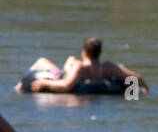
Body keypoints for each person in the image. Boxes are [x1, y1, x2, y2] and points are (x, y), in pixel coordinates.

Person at [17, 38, 148, 95]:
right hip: (98, 75)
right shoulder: (108, 67)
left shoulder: (80, 67)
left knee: (44, 60)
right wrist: (143, 90)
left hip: (66, 75)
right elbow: (137, 78)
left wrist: (43, 83)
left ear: (84, 52)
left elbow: (66, 86)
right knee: (70, 60)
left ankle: (17, 87)